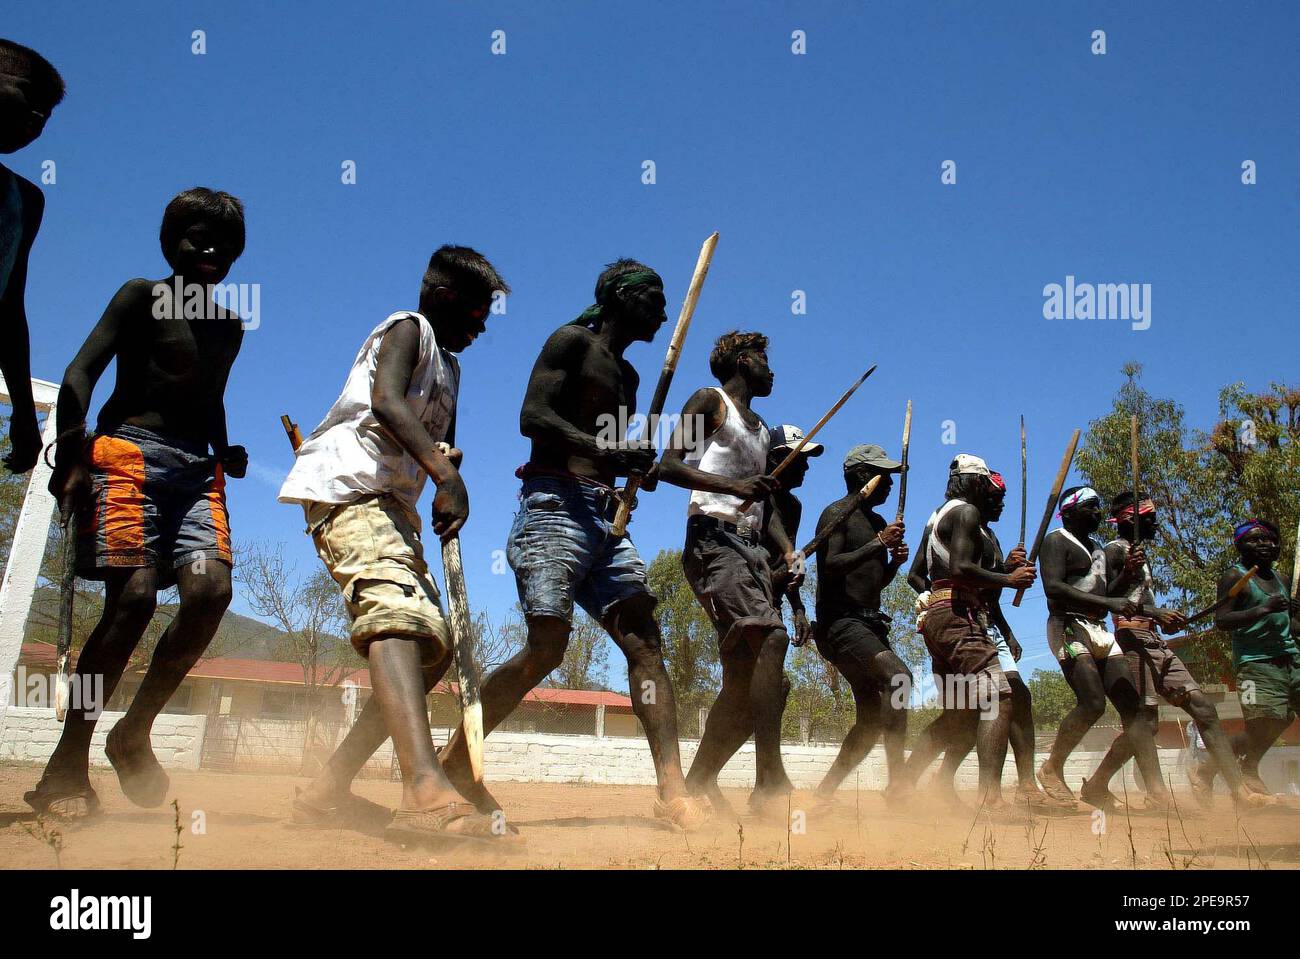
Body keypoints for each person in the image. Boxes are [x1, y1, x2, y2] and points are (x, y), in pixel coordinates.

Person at [436, 259, 709, 832]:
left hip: (608, 516)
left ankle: (672, 792)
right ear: (618, 297)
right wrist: (613, 454)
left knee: (645, 643)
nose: (662, 310)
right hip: (554, 503)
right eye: (652, 298)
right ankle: (457, 763)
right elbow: (532, 417)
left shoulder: (631, 380)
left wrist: (639, 465)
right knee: (547, 647)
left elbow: (610, 449)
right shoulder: (570, 342)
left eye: (666, 302)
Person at [279, 245, 516, 845]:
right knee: (399, 620)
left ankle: (328, 785)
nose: (483, 326)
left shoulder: (452, 370)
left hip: (395, 507)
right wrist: (445, 475)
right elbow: (386, 400)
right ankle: (422, 790)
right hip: (350, 489)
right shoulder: (409, 329)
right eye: (476, 312)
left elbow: (440, 442)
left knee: (433, 649)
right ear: (441, 297)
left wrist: (444, 469)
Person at [28, 189, 248, 817]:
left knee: (210, 593)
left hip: (196, 469)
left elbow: (210, 397)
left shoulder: (231, 326)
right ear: (168, 242)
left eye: (224, 243)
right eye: (196, 237)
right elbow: (79, 375)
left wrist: (225, 446)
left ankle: (133, 732)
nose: (209, 250)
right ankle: (68, 765)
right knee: (133, 599)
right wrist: (72, 455)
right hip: (127, 455)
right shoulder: (139, 297)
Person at [658, 330, 802, 818]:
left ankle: (698, 782)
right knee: (772, 639)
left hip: (751, 551)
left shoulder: (761, 429)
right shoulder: (709, 401)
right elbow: (668, 467)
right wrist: (733, 484)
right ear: (744, 359)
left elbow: (764, 501)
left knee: (754, 684)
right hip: (712, 541)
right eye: (765, 358)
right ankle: (769, 782)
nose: (773, 368)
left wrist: (786, 549)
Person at [1084, 493, 1251, 810]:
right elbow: (1106, 599)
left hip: (1152, 640)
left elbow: (1142, 604)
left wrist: (1161, 618)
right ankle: (1108, 787)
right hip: (1130, 641)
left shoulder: (1139, 555)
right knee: (1145, 725)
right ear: (1131, 520)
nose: (1155, 521)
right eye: (1149, 516)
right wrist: (1150, 607)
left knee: (1203, 708)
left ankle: (1239, 789)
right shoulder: (1113, 551)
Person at [907, 471, 1058, 807]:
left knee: (965, 713)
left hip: (973, 618)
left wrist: (1005, 573)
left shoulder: (977, 530)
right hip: (961, 617)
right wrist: (1006, 578)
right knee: (1000, 697)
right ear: (977, 488)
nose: (1001, 503)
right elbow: (949, 572)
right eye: (995, 495)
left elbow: (978, 584)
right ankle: (993, 795)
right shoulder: (962, 515)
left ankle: (905, 785)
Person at [1034, 486, 1170, 810]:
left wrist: (1128, 573)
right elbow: (1053, 588)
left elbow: (1113, 592)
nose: (1098, 512)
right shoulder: (1056, 541)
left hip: (1099, 630)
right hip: (1067, 627)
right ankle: (1052, 767)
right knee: (1092, 703)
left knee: (1135, 712)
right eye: (1091, 506)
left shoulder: (1097, 549)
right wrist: (1111, 600)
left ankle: (1157, 791)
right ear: (1068, 512)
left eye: (1099, 507)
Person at [809, 443, 912, 806]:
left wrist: (893, 563)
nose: (888, 485)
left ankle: (824, 795)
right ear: (861, 476)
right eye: (883, 476)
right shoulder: (836, 514)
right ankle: (898, 783)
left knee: (870, 721)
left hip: (869, 624)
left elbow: (872, 583)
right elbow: (830, 566)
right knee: (899, 677)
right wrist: (878, 544)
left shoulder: (879, 523)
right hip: (840, 624)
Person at [1197, 518, 1299, 802]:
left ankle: (1247, 766)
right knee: (1262, 724)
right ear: (1240, 546)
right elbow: (1222, 620)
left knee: (1280, 720)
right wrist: (1263, 608)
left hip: (1291, 658)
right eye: (1254, 540)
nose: (1262, 544)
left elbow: (1289, 623)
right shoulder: (1235, 577)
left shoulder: (1283, 580)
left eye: (1266, 539)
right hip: (1256, 661)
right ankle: (1211, 768)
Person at [0, 39, 65, 473]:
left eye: (47, 111)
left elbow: (8, 310)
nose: (39, 117)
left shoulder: (25, 200)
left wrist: (25, 412)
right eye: (26, 92)